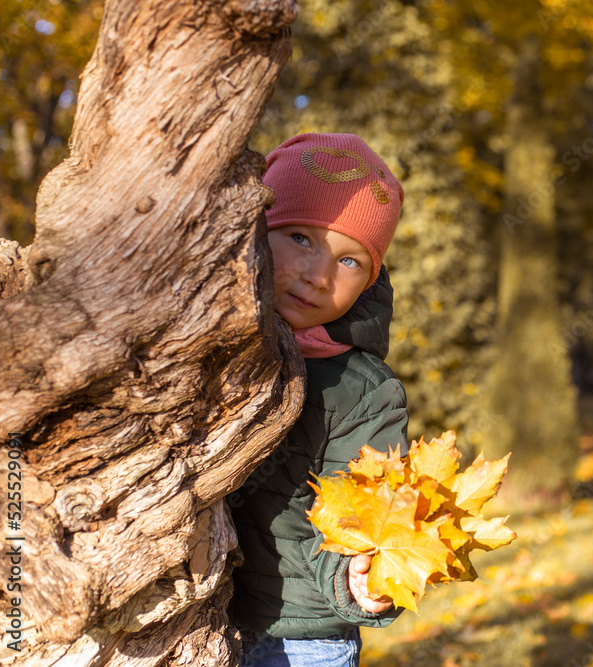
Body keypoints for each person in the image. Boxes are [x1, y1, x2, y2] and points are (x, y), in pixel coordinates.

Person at [229, 133, 408, 667]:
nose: (319, 274)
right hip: (188, 615)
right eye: (301, 238)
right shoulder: (197, 345)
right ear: (257, 230)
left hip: (299, 638)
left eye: (351, 261)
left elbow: (362, 509)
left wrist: (358, 577)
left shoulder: (363, 391)